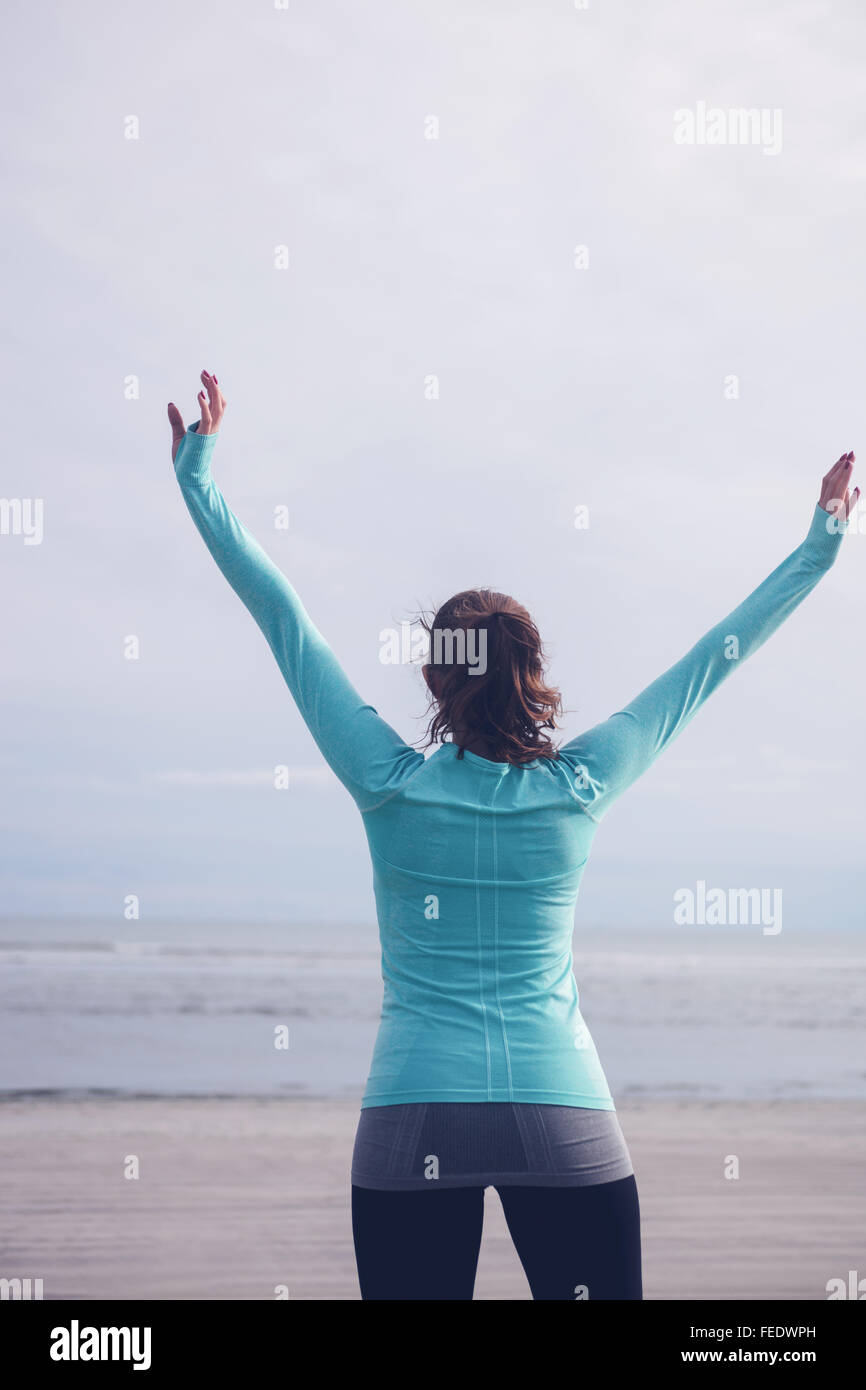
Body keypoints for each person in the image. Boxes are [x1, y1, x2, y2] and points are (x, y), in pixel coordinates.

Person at [169, 369, 856, 1300]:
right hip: (558, 1108)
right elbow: (712, 660)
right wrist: (821, 543)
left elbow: (284, 620)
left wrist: (199, 479)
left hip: (414, 1111)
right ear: (531, 673)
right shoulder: (581, 785)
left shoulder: (388, 784)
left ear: (437, 683)